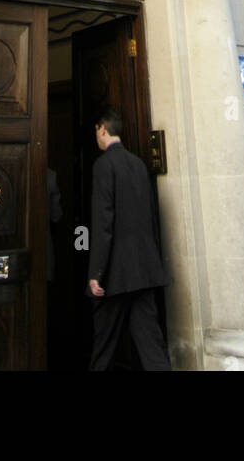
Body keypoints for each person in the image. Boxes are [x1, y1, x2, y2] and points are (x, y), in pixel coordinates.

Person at [87, 106, 172, 371]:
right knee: (151, 344)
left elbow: (103, 223)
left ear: (103, 129)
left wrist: (96, 272)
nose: (97, 137)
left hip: (116, 274)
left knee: (104, 345)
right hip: (144, 270)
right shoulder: (138, 164)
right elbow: (151, 217)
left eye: (97, 132)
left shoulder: (103, 166)